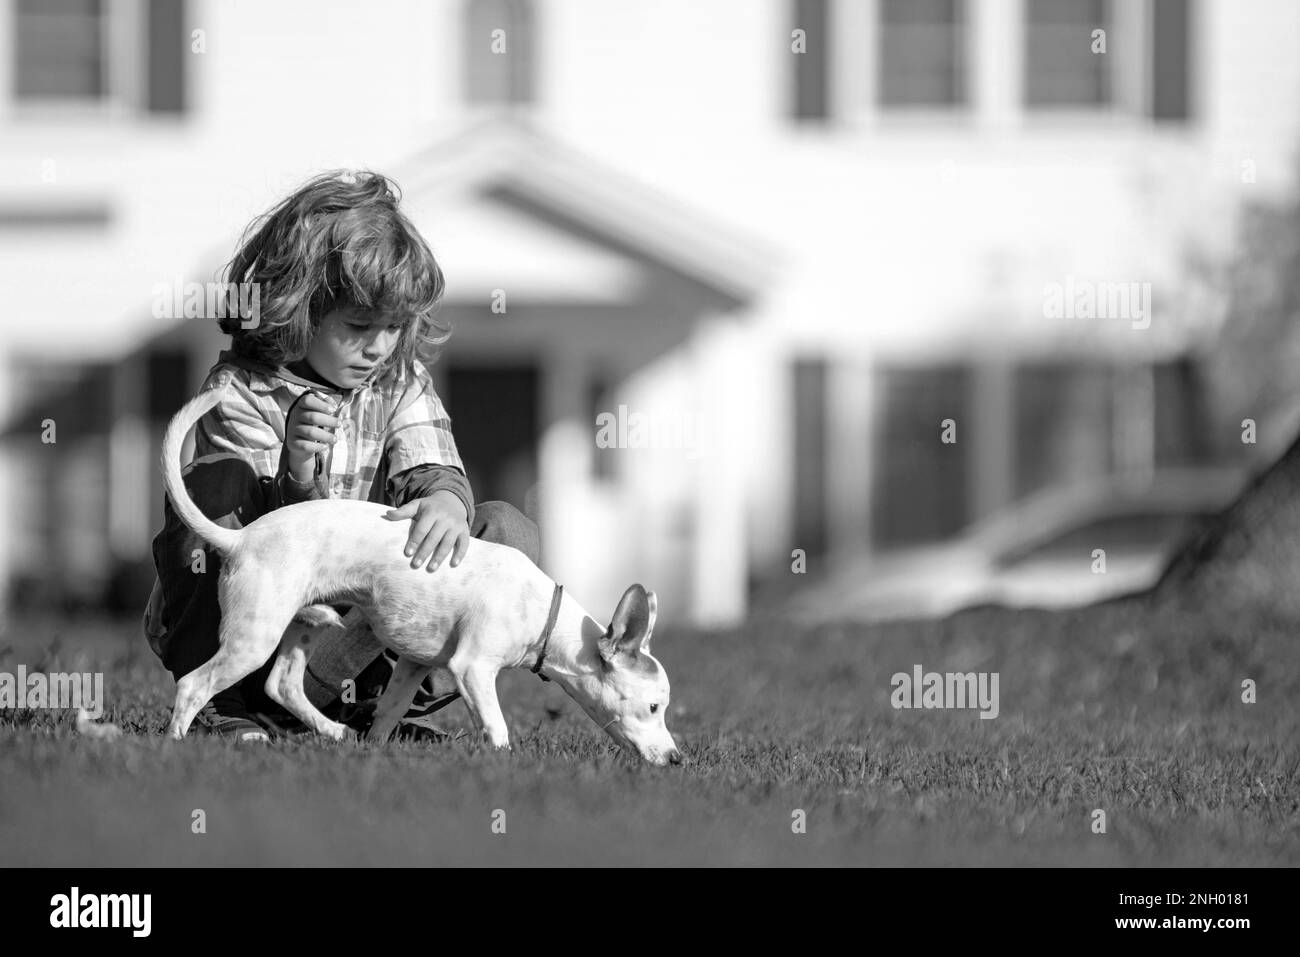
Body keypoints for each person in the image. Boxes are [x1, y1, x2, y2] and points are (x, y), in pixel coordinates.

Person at [142, 170, 539, 741]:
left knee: (505, 531)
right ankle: (222, 706)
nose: (378, 347)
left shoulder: (400, 381)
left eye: (394, 327)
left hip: (347, 641)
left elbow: (431, 464)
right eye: (358, 325)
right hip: (254, 628)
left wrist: (446, 502)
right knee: (214, 485)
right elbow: (259, 548)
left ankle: (374, 707)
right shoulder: (239, 390)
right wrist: (298, 470)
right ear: (299, 308)